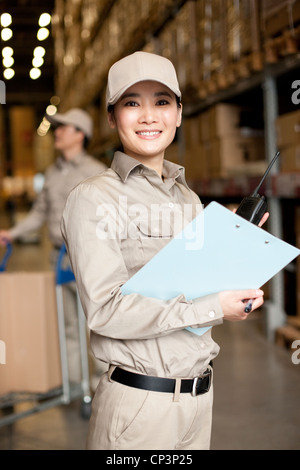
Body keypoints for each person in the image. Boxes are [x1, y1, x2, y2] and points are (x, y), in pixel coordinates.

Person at [61, 52, 267, 450]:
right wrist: (211, 307)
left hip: (197, 401)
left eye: (161, 102)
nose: (149, 116)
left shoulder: (187, 198)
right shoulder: (92, 198)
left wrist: (231, 293)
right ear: (111, 118)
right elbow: (106, 310)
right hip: (139, 410)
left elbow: (189, 293)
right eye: (131, 103)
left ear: (178, 113)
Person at [0, 107, 107, 389]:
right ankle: (74, 383)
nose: (57, 132)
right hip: (58, 257)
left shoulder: (97, 172)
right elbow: (38, 213)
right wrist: (12, 232)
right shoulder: (51, 173)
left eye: (64, 127)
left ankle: (102, 384)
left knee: (98, 324)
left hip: (91, 257)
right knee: (68, 323)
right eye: (57, 127)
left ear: (80, 134)